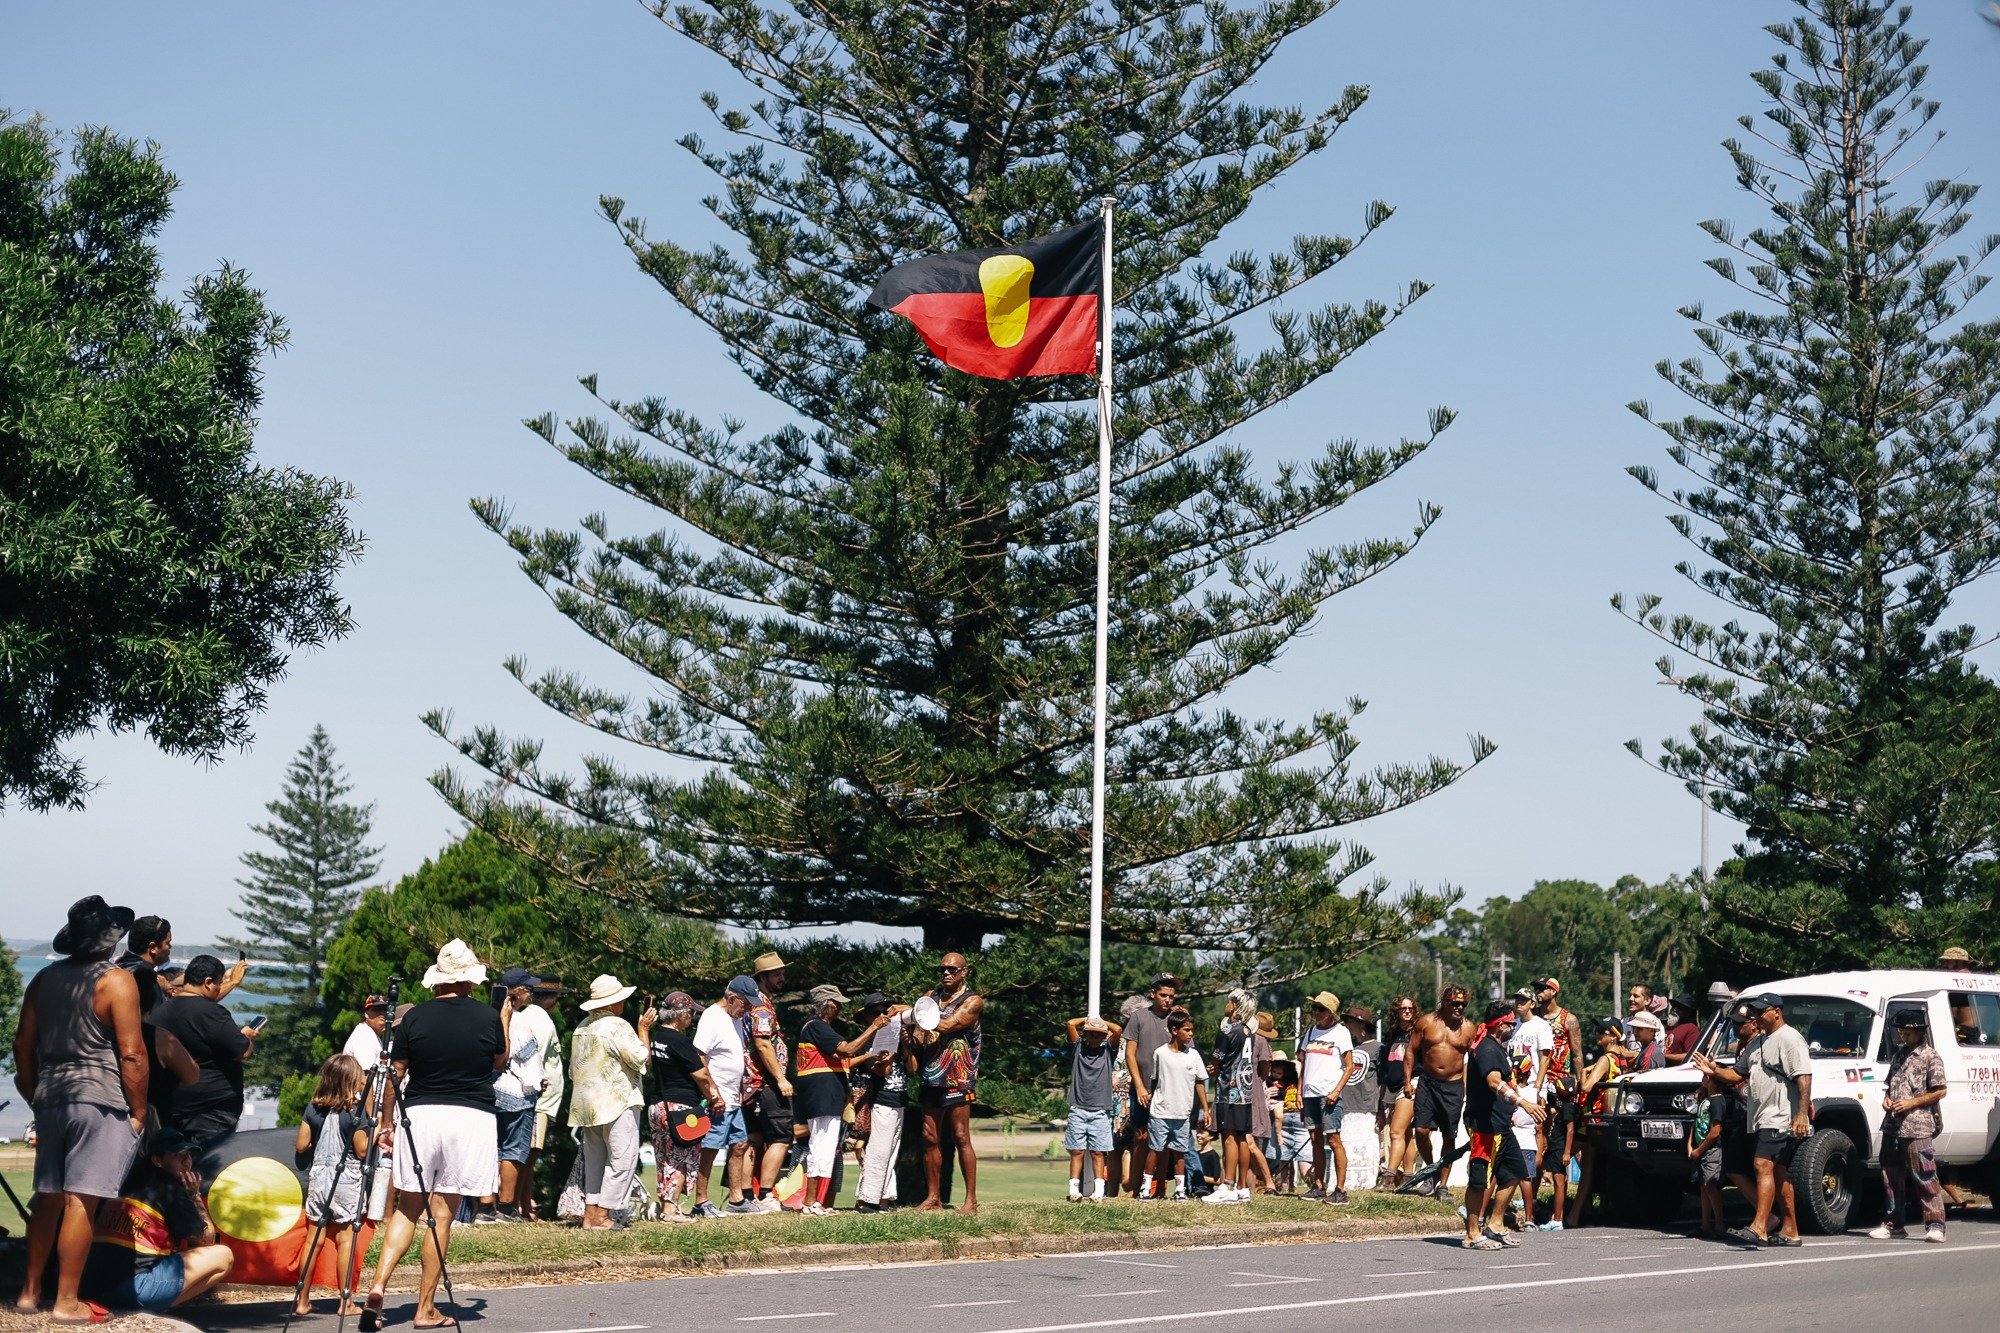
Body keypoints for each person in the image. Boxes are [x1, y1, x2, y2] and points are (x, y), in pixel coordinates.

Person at [12, 895, 149, 1323]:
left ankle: (30, 1293)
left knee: (48, 1198)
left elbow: (22, 1046)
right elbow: (132, 1055)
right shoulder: (115, 981)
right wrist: (139, 1112)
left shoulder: (44, 980)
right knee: (80, 1202)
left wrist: (37, 1094)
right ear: (111, 941)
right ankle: (67, 1301)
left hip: (52, 1098)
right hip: (99, 1101)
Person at [361, 939, 506, 1333]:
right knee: (441, 1212)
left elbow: (396, 1073)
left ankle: (377, 1286)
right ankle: (424, 1309)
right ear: (469, 981)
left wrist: (386, 1122)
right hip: (469, 1115)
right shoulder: (486, 1016)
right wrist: (502, 1017)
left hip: (421, 1113)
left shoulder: (415, 1018)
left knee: (408, 1206)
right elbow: (499, 1059)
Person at [81, 1128, 234, 1311]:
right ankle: (156, 1308)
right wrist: (194, 1195)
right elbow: (205, 1239)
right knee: (224, 1255)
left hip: (91, 1286)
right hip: (134, 1288)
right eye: (179, 1156)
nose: (187, 1162)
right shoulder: (170, 1189)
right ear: (157, 1160)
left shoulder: (123, 1183)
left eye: (189, 1155)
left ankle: (153, 1304)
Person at [1719, 992, 1810, 1247]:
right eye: (1755, 1012)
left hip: (1779, 1115)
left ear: (1777, 1012)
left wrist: (1801, 1114)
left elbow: (1803, 1077)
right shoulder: (1758, 1043)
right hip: (1761, 1116)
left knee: (1762, 1165)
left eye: (1761, 1011)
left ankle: (1760, 1226)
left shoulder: (1789, 1038)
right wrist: (1712, 1069)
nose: (1757, 1016)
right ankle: (1791, 1230)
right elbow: (1737, 1073)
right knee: (1779, 1173)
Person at [795, 984, 896, 1214]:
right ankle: (811, 1203)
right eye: (837, 1004)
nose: (839, 1009)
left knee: (827, 1146)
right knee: (820, 1145)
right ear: (828, 1005)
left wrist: (870, 1055)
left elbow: (844, 1061)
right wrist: (873, 1027)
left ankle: (817, 1201)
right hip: (822, 1094)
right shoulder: (818, 1026)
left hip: (825, 1094)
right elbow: (848, 1050)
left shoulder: (816, 1030)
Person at [569, 974, 650, 1230]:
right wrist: (643, 1031)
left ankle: (590, 1214)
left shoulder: (582, 1026)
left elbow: (573, 1070)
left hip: (587, 1102)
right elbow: (640, 1058)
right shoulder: (617, 1025)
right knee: (622, 1158)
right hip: (617, 1099)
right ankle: (603, 1215)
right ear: (614, 1003)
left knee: (595, 1158)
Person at [293, 1055, 372, 1317]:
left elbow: (301, 1145)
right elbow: (361, 1150)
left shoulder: (313, 1108)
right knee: (345, 1239)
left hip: (319, 1177)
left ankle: (302, 1301)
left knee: (313, 1240)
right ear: (351, 1080)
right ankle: (345, 1302)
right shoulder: (355, 1111)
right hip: (347, 1177)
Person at [150, 955, 258, 1145]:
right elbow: (242, 1052)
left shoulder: (159, 1013)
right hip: (212, 1109)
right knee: (208, 1167)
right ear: (208, 982)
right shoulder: (211, 1013)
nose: (218, 990)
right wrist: (247, 1036)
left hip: (171, 1107)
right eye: (217, 985)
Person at [1461, 1001, 1542, 1251]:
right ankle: (1472, 1234)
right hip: (1484, 1126)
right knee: (1479, 1180)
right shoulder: (1486, 1049)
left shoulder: (1497, 1047)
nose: (1513, 1026)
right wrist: (1523, 1103)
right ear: (1501, 1025)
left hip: (1501, 1125)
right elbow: (1493, 1081)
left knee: (1515, 1172)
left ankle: (1495, 1224)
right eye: (1510, 1023)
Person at [913, 951, 985, 1214]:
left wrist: (914, 1014)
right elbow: (920, 1035)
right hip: (931, 1076)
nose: (946, 973)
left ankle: (971, 1201)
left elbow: (949, 1024)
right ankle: (933, 1198)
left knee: (960, 1136)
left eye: (952, 970)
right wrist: (913, 1033)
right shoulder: (930, 997)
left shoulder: (973, 1001)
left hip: (959, 1077)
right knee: (929, 1136)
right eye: (942, 969)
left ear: (964, 972)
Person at [641, 990, 720, 1222]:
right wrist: (713, 1096)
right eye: (690, 1014)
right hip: (681, 1109)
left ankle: (666, 1204)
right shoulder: (680, 1041)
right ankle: (670, 1209)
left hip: (657, 1105)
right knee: (683, 1158)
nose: (692, 1019)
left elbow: (645, 1061)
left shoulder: (657, 1037)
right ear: (680, 1014)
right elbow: (702, 1075)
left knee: (663, 1158)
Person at [1873, 1007, 1948, 1243]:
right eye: (1900, 1033)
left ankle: (1936, 1225)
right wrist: (1887, 1100)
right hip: (1893, 1126)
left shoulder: (1930, 1056)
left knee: (1924, 1175)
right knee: (1891, 1176)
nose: (1902, 1037)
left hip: (1918, 1126)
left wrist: (1911, 1103)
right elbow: (1890, 1086)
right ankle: (1894, 1223)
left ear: (1918, 1032)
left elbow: (1940, 1091)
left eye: (1907, 1033)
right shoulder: (1898, 1056)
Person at [485, 967, 547, 1225]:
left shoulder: (488, 1015)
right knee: (513, 1150)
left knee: (491, 1150)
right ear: (518, 992)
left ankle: (485, 1208)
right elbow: (526, 1059)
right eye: (528, 989)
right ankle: (507, 1207)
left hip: (491, 1090)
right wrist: (539, 1082)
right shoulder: (519, 1021)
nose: (530, 993)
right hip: (517, 1092)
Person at [1404, 985, 1478, 1200]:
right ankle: (1431, 1170)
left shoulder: (1469, 1029)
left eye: (1463, 1004)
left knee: (1449, 1135)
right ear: (1445, 1002)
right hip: (1427, 1082)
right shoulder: (1426, 1022)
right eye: (1455, 1003)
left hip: (1453, 1086)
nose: (1459, 1007)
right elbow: (1411, 1050)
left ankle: (1442, 1185)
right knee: (1421, 1130)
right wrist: (1407, 1081)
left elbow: (1475, 1061)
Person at [691, 980, 755, 1217]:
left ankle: (737, 1200)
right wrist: (713, 1093)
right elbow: (699, 1055)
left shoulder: (735, 1018)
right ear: (731, 999)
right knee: (711, 1147)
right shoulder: (712, 1017)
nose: (746, 1010)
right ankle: (701, 1200)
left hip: (733, 1097)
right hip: (719, 1098)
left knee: (739, 1144)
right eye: (745, 1004)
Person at [740, 951, 795, 1214]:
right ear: (762, 978)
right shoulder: (761, 1007)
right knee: (782, 1136)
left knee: (753, 1137)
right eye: (776, 974)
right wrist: (780, 1078)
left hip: (752, 1083)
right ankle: (764, 1195)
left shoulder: (753, 1003)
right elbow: (763, 1043)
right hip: (766, 1082)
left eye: (782, 973)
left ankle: (746, 1197)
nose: (782, 978)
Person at [1565, 1016, 1632, 1228]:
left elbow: (1586, 1087)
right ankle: (1586, 1211)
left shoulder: (1606, 1060)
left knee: (1584, 1167)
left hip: (1594, 1117)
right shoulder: (1622, 1057)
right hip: (1610, 1116)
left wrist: (1584, 1074)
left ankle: (1573, 1215)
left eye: (1602, 1032)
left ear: (1613, 1036)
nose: (1597, 1035)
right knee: (1589, 1166)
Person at [1141, 1009, 1209, 1200]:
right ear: (1174, 1030)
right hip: (1161, 1111)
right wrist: (1152, 1098)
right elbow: (1155, 1080)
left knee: (1180, 1151)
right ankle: (1145, 1188)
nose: (1190, 1034)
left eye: (1191, 1030)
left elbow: (1200, 1082)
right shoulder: (1160, 1053)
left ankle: (1180, 1190)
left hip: (1182, 1113)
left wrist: (1205, 1108)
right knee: (1155, 1149)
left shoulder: (1193, 1055)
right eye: (1186, 1030)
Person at [1119, 973, 1178, 1195]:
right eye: (1163, 995)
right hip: (1143, 1087)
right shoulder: (1139, 1018)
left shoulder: (1177, 1018)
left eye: (1171, 996)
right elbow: (1130, 1054)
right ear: (1153, 994)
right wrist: (1140, 1086)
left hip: (1169, 1090)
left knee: (1163, 1141)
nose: (1167, 1000)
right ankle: (1135, 1188)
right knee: (1141, 1137)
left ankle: (1159, 1188)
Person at [852, 991, 909, 1213]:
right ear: (868, 1017)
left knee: (891, 1153)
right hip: (882, 1100)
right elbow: (883, 1071)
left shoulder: (893, 1034)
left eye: (886, 1011)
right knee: (879, 1151)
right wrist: (890, 1052)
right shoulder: (869, 1041)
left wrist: (903, 1040)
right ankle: (868, 1199)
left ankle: (883, 1198)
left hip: (900, 1099)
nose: (884, 1015)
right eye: (878, 1013)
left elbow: (912, 1068)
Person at [1297, 991, 1353, 1204]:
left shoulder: (1341, 1033)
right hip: (1310, 1093)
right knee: (1314, 1139)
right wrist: (1300, 1092)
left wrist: (1337, 1090)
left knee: (1333, 1139)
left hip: (1329, 1093)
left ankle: (1340, 1189)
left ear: (1331, 1012)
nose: (1316, 1013)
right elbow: (1304, 1066)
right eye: (1315, 1008)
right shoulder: (1311, 1032)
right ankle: (1318, 1186)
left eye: (1321, 1009)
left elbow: (1349, 1066)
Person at [1062, 1014, 1124, 1201]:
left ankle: (1098, 1190)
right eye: (1091, 1034)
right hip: (1078, 1108)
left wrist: (1101, 1023)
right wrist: (1088, 1019)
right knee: (1077, 1150)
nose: (1095, 1038)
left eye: (1099, 1035)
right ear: (1085, 1035)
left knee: (1098, 1151)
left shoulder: (1108, 1051)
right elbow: (1070, 1024)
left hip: (1100, 1110)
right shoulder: (1078, 1048)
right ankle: (1074, 1189)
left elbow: (1118, 1030)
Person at [1206, 989, 1260, 1203]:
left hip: (1229, 1090)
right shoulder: (1249, 1031)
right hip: (1246, 1091)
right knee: (1242, 1137)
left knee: (1228, 1136)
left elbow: (1217, 1060)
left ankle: (1226, 1186)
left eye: (1229, 1001)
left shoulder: (1227, 1030)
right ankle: (1242, 1187)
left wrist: (1212, 1068)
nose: (1226, 1004)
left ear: (1236, 1005)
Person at [525, 979, 568, 1220]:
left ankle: (523, 1202)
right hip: (538, 1101)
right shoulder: (541, 1020)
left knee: (529, 1153)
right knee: (530, 1153)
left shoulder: (530, 1015)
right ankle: (522, 1204)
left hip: (539, 1100)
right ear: (551, 998)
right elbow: (537, 1056)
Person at [1338, 1005, 1382, 1193]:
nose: (1348, 1025)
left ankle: (1366, 1181)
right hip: (1346, 1102)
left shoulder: (1378, 1048)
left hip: (1366, 1104)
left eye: (1351, 1022)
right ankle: (1345, 1181)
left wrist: (1381, 1107)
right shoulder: (1348, 1047)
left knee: (1365, 1143)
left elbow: (1383, 1080)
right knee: (1345, 1143)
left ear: (1361, 1024)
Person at [1380, 996, 1419, 1189]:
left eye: (1410, 1008)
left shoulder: (1419, 1032)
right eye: (1403, 1008)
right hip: (1392, 1086)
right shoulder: (1393, 1034)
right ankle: (1408, 1175)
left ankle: (1389, 1176)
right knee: (1406, 1133)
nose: (1407, 1011)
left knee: (1396, 1131)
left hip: (1411, 1085)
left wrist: (1409, 1082)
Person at [1688, 1069, 1728, 1239]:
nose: (1702, 1079)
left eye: (1705, 1076)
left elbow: (1715, 1131)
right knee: (1703, 1186)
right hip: (1699, 1147)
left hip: (1711, 1149)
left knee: (1711, 1185)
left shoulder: (1718, 1101)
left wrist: (1700, 1149)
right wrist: (1690, 1144)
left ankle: (1719, 1224)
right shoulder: (1705, 1098)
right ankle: (1705, 1224)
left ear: (1712, 1079)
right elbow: (1696, 1121)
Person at [343, 995, 393, 1070]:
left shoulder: (370, 1034)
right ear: (366, 1014)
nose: (382, 1012)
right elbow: (365, 1075)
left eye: (385, 1009)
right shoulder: (364, 1036)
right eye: (377, 1009)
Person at [1663, 996, 1701, 1066]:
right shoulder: (1664, 1025)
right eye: (1673, 1006)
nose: (1674, 1009)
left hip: (1674, 1071)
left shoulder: (1691, 1029)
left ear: (1688, 1012)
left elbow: (1691, 1056)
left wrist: (1664, 1056)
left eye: (1680, 1008)